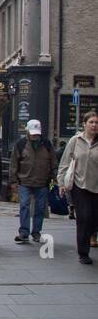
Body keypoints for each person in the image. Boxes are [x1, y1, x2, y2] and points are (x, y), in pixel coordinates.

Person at [59, 111, 98, 266]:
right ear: (84, 124)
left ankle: (91, 235)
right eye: (92, 122)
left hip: (96, 186)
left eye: (96, 123)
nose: (94, 125)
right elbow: (65, 162)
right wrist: (61, 182)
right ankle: (83, 252)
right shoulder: (75, 141)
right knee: (83, 217)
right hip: (79, 185)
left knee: (94, 219)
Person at [10, 119, 55, 245]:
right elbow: (14, 163)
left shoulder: (46, 144)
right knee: (24, 205)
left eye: (37, 133)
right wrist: (13, 181)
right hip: (24, 180)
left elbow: (53, 161)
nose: (35, 135)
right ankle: (24, 232)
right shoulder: (20, 144)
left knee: (40, 208)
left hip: (42, 181)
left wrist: (54, 176)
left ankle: (36, 232)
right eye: (33, 133)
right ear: (28, 131)